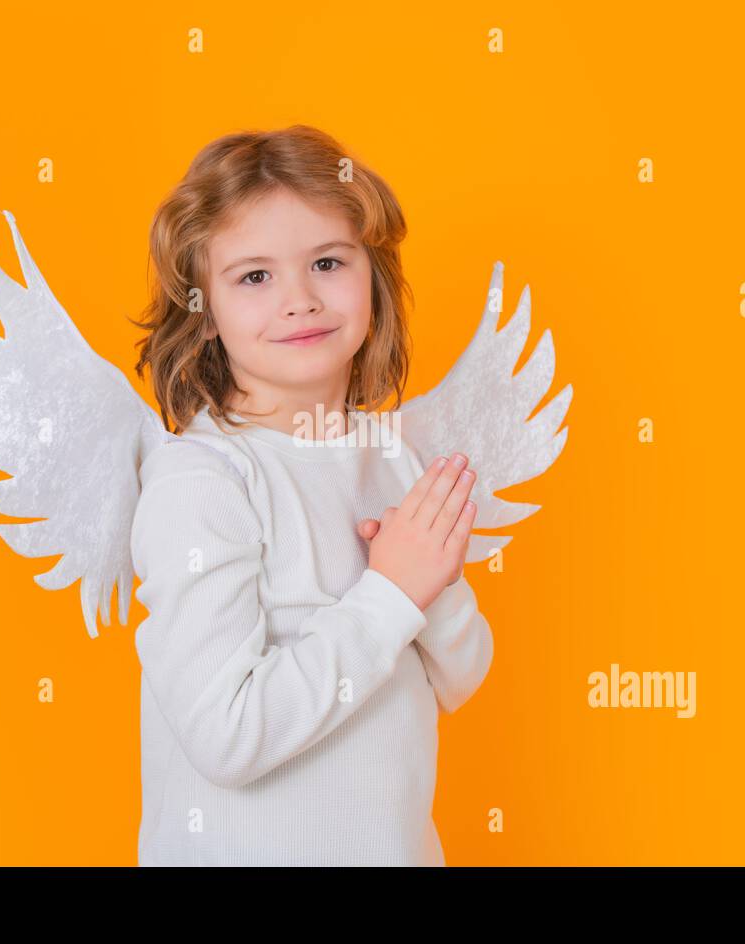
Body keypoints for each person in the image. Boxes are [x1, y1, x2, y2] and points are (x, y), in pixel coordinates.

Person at [129, 125, 493, 865]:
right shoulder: (203, 479)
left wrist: (433, 587)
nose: (299, 300)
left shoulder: (393, 455)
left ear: (373, 279)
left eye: (327, 262)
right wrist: (392, 590)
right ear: (204, 310)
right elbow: (227, 734)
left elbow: (461, 677)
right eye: (254, 277)